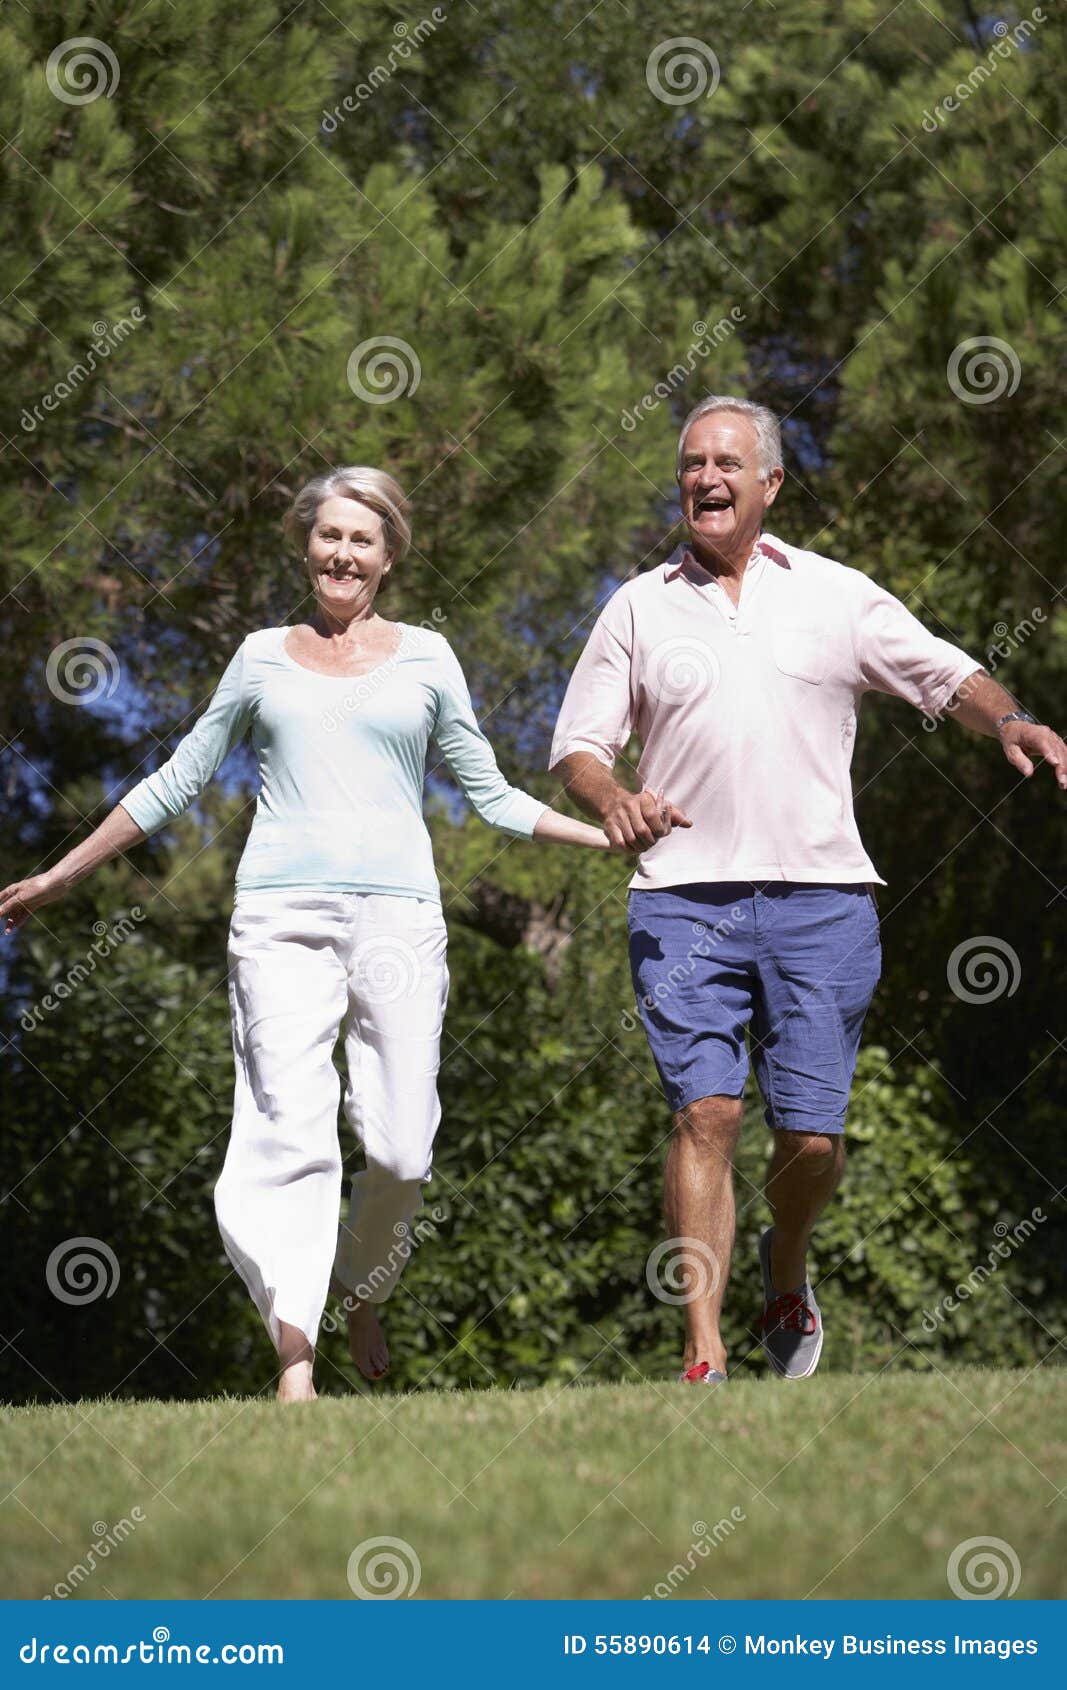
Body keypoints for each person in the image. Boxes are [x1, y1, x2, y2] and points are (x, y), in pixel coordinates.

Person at [1, 466, 612, 1404]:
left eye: (362, 540)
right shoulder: (259, 657)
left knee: (403, 1150)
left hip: (398, 917)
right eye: (329, 536)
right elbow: (177, 779)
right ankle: (296, 1360)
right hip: (281, 916)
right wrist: (61, 874)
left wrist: (601, 831)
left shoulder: (427, 658)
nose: (343, 553)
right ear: (305, 548)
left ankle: (360, 1289)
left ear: (389, 557)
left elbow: (487, 794)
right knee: (289, 1126)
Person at [549, 395, 1066, 1387]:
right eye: (690, 463)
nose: (703, 479)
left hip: (822, 897)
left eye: (724, 464)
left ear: (768, 484)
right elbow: (577, 743)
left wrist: (1007, 720)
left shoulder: (832, 595)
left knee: (810, 1135)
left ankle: (784, 1259)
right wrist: (610, 793)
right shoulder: (636, 605)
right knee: (706, 1116)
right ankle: (702, 1348)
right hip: (682, 899)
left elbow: (945, 673)